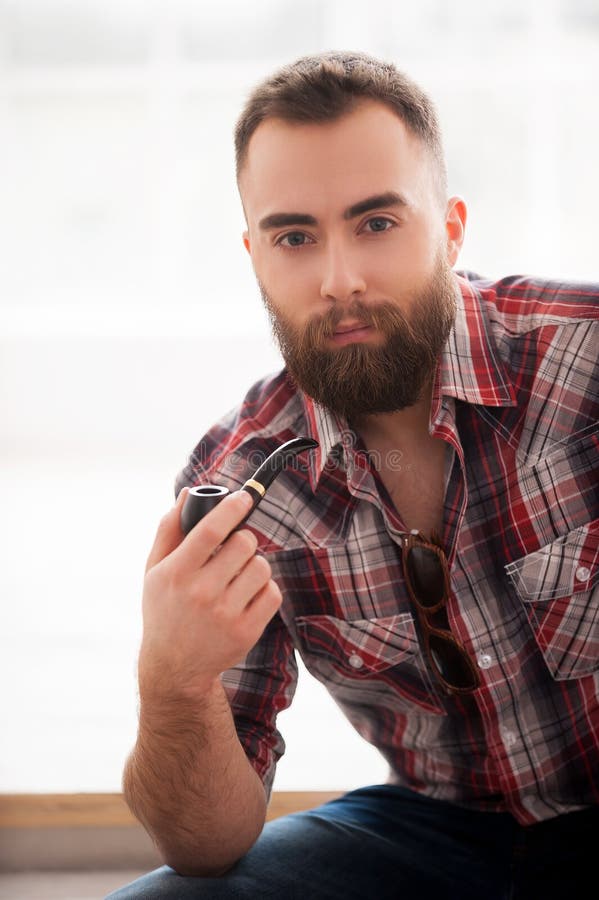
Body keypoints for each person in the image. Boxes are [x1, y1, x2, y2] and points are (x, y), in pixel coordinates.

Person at [106, 50, 598, 899]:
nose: (340, 282)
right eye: (294, 237)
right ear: (256, 255)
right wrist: (173, 679)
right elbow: (206, 844)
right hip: (438, 831)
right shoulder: (236, 479)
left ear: (448, 228)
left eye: (376, 224)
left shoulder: (583, 355)